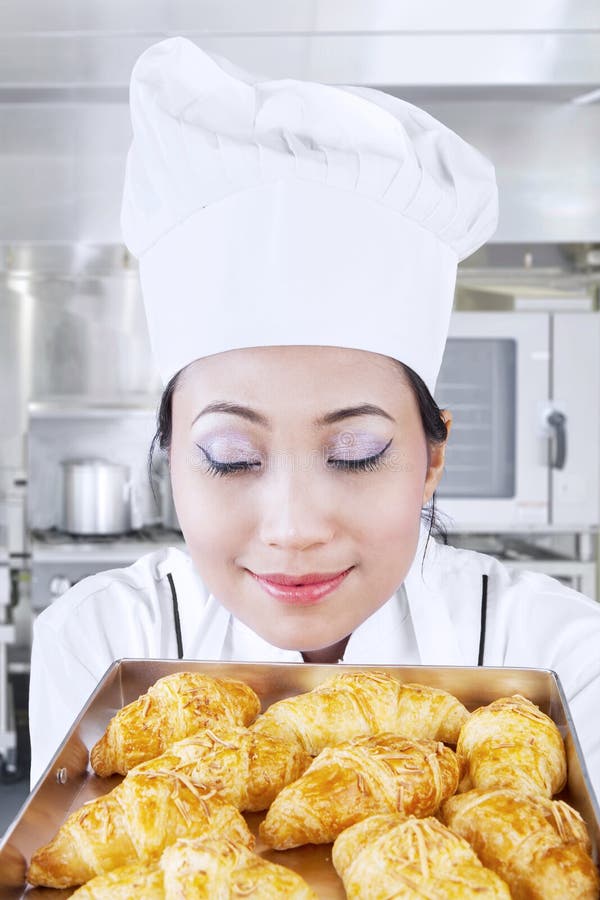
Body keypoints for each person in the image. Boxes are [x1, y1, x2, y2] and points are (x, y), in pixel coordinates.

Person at [29, 37, 600, 797]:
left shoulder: (558, 649)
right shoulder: (100, 639)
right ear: (172, 466)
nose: (293, 527)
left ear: (432, 459)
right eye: (231, 456)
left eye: (357, 451)